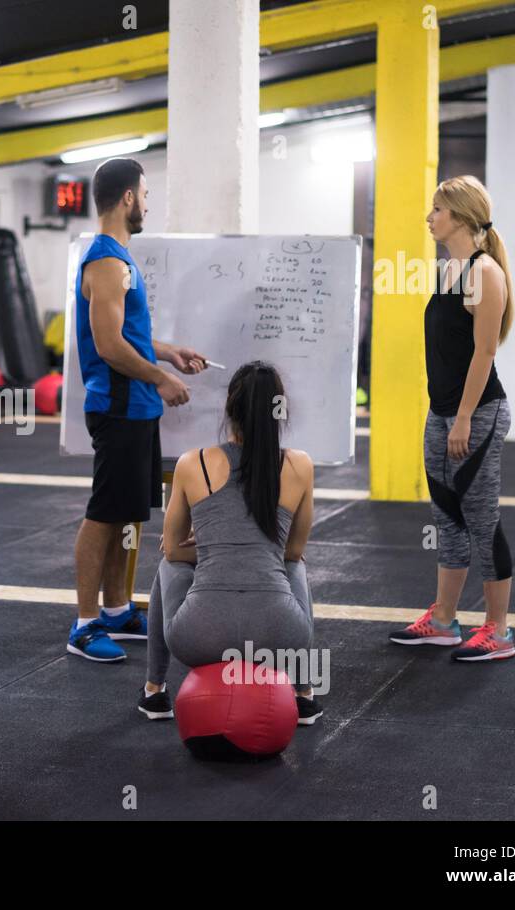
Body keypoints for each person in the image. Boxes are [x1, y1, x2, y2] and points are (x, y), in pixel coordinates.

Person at [68, 157, 209, 663]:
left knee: (128, 513)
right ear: (128, 197)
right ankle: (84, 624)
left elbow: (128, 335)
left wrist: (168, 352)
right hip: (120, 407)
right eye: (146, 195)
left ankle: (116, 608)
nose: (148, 203)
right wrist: (162, 378)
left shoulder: (119, 260)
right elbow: (108, 346)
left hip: (137, 406)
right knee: (105, 514)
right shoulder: (106, 262)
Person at [139, 362, 322, 726]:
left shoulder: (193, 463)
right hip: (281, 641)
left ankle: (154, 691)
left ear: (229, 409)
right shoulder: (300, 465)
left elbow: (174, 549)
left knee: (167, 564)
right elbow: (293, 551)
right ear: (280, 410)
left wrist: (211, 546)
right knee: (295, 567)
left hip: (199, 638)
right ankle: (304, 695)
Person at [390, 175, 515, 662]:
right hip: (443, 411)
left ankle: (498, 631)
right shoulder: (450, 270)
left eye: (437, 210)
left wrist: (463, 418)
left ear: (461, 217)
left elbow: (484, 352)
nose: (429, 217)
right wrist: (443, 413)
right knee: (447, 516)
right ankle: (444, 620)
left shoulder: (485, 272)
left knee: (482, 519)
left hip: (478, 411)